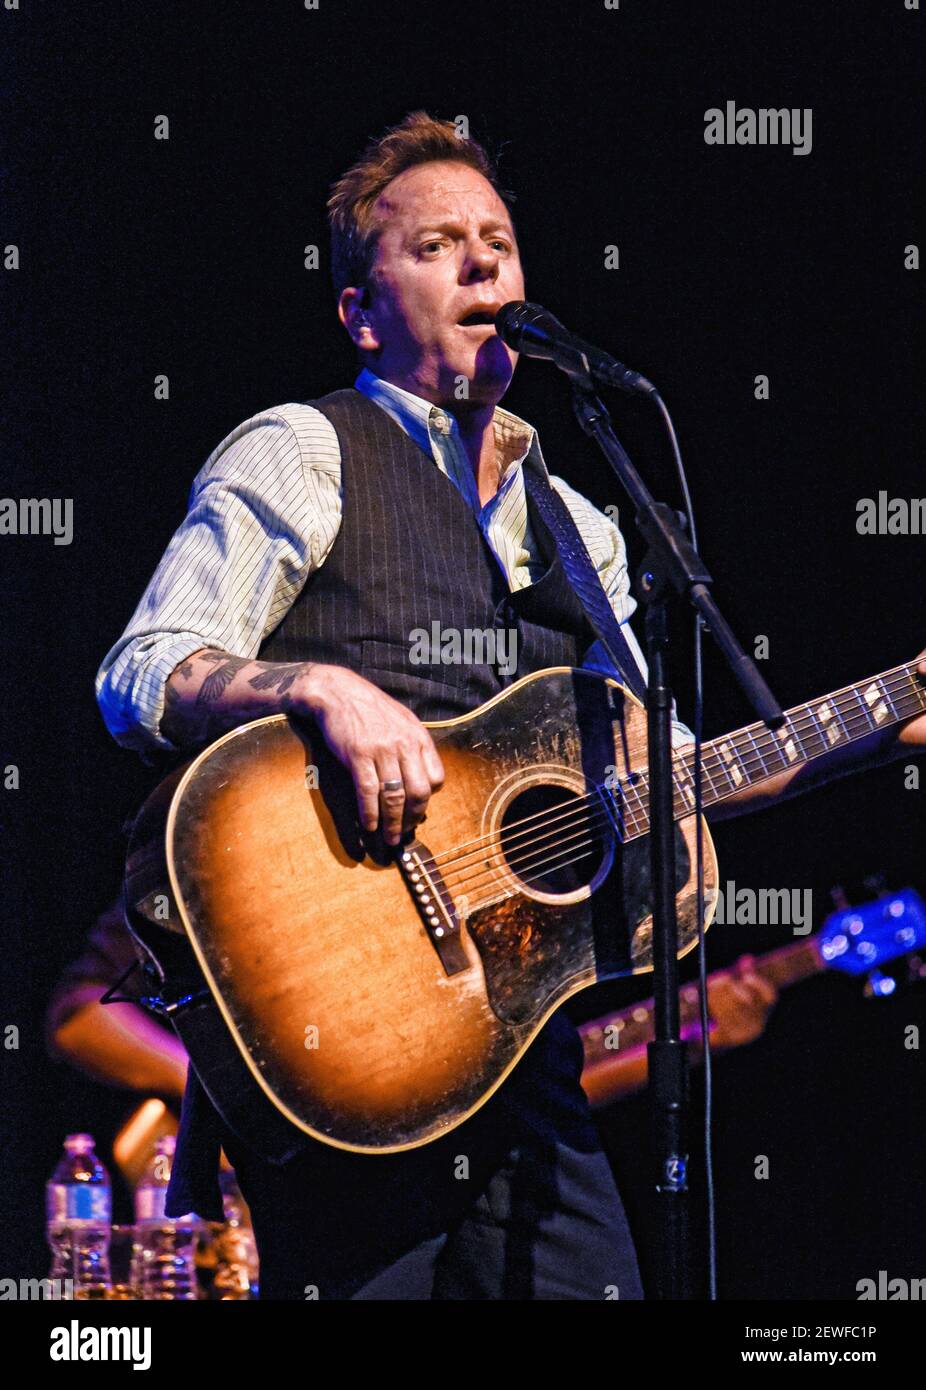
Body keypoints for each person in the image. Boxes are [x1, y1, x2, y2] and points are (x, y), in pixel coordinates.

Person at [96, 111, 926, 1299]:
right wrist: (316, 687)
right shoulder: (302, 449)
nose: (482, 262)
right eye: (434, 245)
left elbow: (673, 768)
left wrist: (876, 729)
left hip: (513, 1051)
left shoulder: (578, 522)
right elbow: (142, 670)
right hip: (339, 1023)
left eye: (496, 240)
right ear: (359, 310)